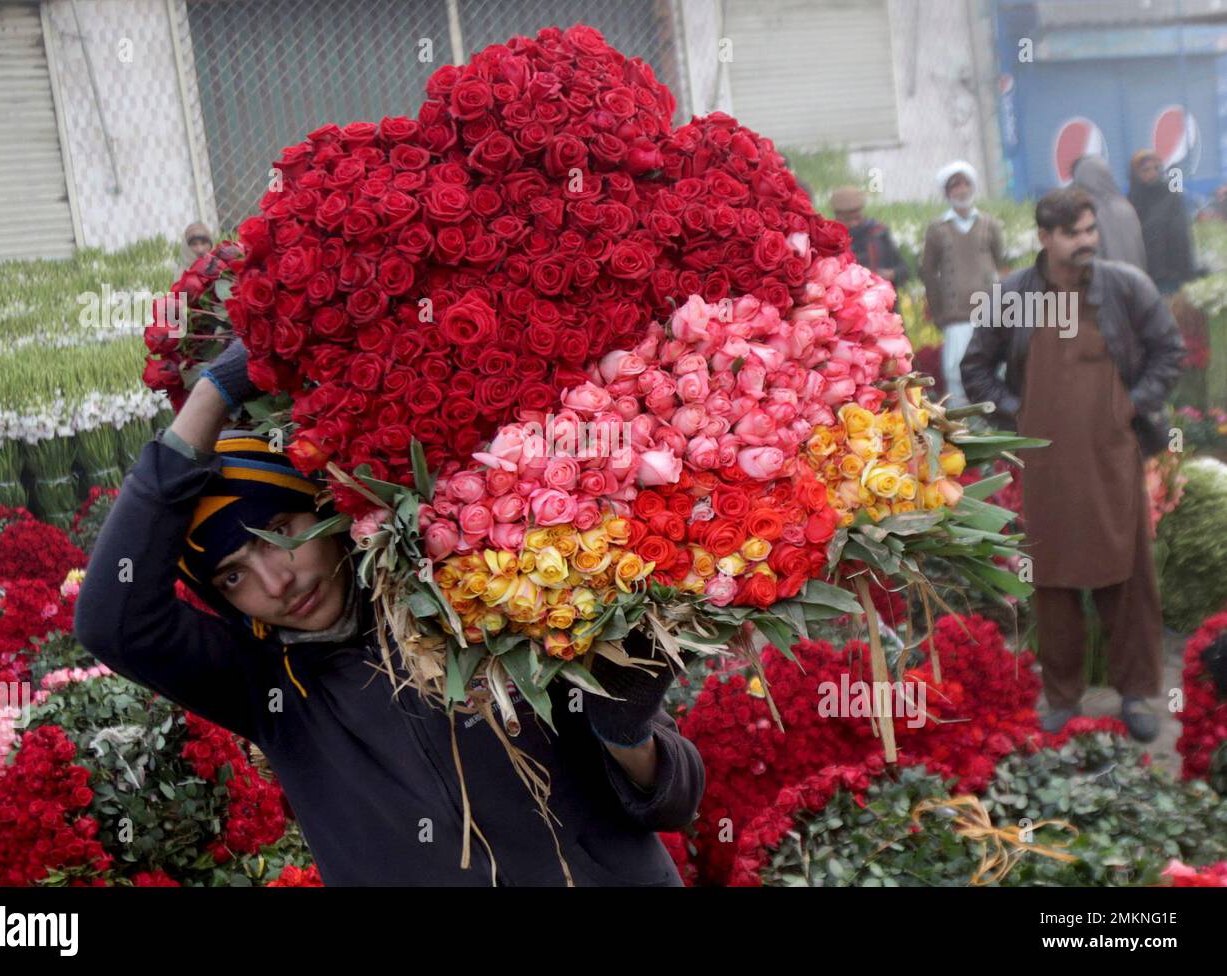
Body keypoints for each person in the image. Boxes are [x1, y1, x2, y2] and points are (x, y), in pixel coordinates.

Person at [73, 344, 705, 886]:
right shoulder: (267, 689)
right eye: (234, 575)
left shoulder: (481, 595)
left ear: (328, 511)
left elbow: (673, 803)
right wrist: (214, 391)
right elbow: (112, 622)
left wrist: (627, 733)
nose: (277, 579)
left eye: (281, 530)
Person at [961, 187, 1186, 743]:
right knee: (1053, 582)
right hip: (1046, 466)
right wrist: (1019, 417)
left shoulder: (1125, 286)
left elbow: (1169, 351)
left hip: (1114, 457)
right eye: (1073, 233)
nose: (1087, 241)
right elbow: (976, 368)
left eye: (1090, 230)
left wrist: (1131, 405)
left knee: (1128, 578)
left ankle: (1136, 695)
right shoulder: (1015, 294)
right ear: (1044, 238)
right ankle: (1061, 696)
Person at [921, 160, 1006, 407]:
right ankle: (963, 431)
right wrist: (939, 312)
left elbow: (1000, 263)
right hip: (956, 315)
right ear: (947, 193)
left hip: (988, 311)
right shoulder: (937, 229)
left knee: (994, 369)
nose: (961, 190)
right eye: (955, 185)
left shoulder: (990, 224)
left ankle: (996, 425)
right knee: (956, 371)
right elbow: (928, 273)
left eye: (966, 183)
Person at [1127, 149, 1196, 295]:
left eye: (1156, 168)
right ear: (1135, 174)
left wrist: (1187, 274)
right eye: (1145, 170)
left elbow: (1182, 238)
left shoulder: (1170, 198)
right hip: (1142, 276)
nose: (1152, 174)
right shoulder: (1130, 204)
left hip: (1170, 276)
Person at [1070, 155, 1147, 271]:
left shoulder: (1086, 211)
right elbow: (1138, 249)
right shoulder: (1125, 207)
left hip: (1102, 281)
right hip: (1133, 278)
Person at [831, 186, 910, 286]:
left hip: (879, 295)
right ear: (836, 217)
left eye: (857, 218)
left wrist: (891, 274)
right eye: (846, 219)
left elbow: (903, 269)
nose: (853, 223)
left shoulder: (878, 233)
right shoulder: (830, 238)